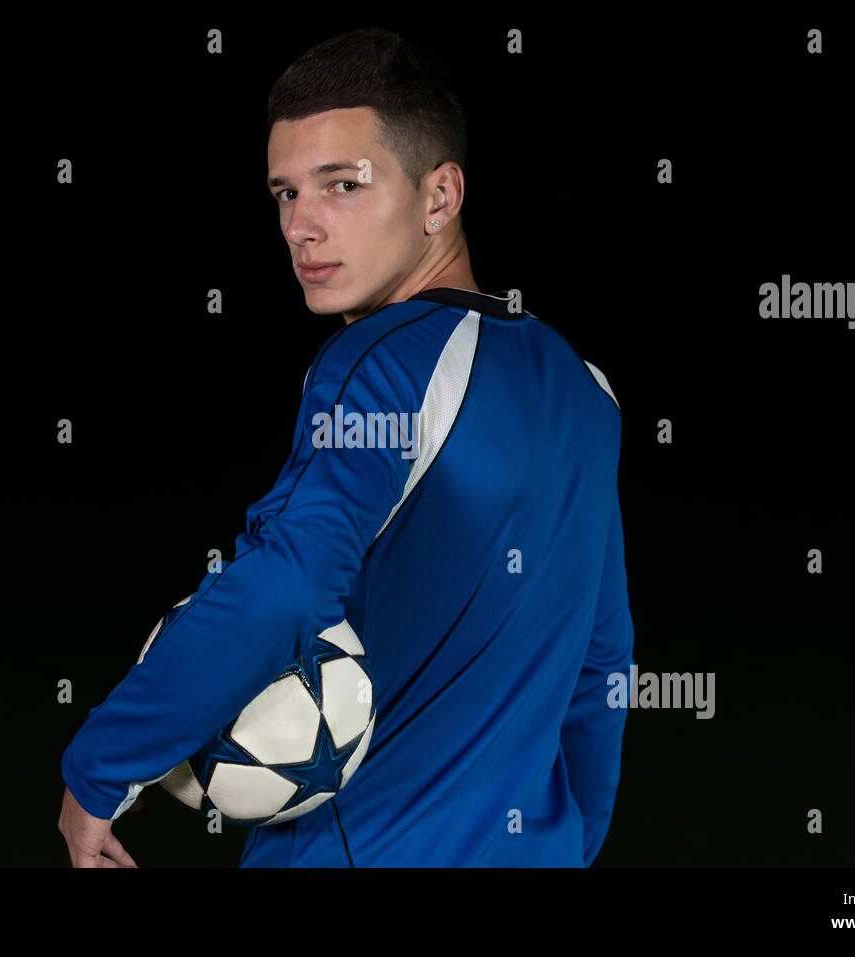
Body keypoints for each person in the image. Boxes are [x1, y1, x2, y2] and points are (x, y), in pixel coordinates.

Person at [57, 27, 634, 868]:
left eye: (343, 184)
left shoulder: (380, 359)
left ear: (440, 197)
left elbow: (286, 583)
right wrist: (572, 835)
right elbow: (604, 654)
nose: (302, 226)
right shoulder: (586, 386)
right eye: (285, 194)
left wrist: (102, 767)